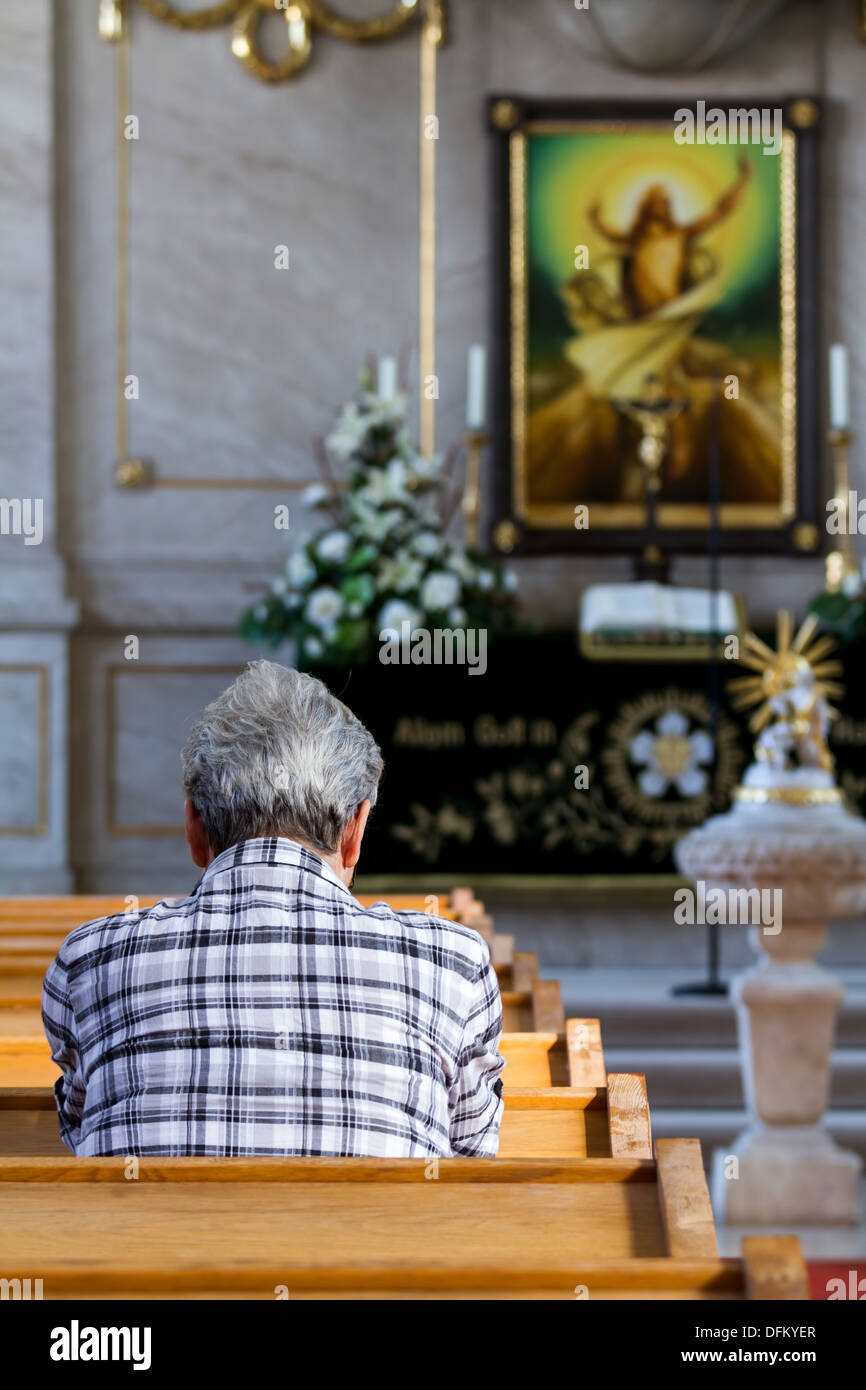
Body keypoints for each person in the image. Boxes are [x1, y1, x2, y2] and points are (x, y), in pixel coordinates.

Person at [42, 661, 504, 1157]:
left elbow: (80, 1132)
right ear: (355, 831)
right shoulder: (452, 964)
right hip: (379, 1237)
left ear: (194, 830)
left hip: (151, 1239)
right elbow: (471, 1160)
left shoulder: (88, 960)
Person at [588, 156, 752, 318]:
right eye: (656, 199)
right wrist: (595, 219)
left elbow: (720, 211)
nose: (661, 203)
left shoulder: (680, 234)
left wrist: (743, 181)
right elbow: (609, 234)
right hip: (642, 313)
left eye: (665, 200)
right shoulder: (636, 238)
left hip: (671, 309)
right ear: (646, 206)